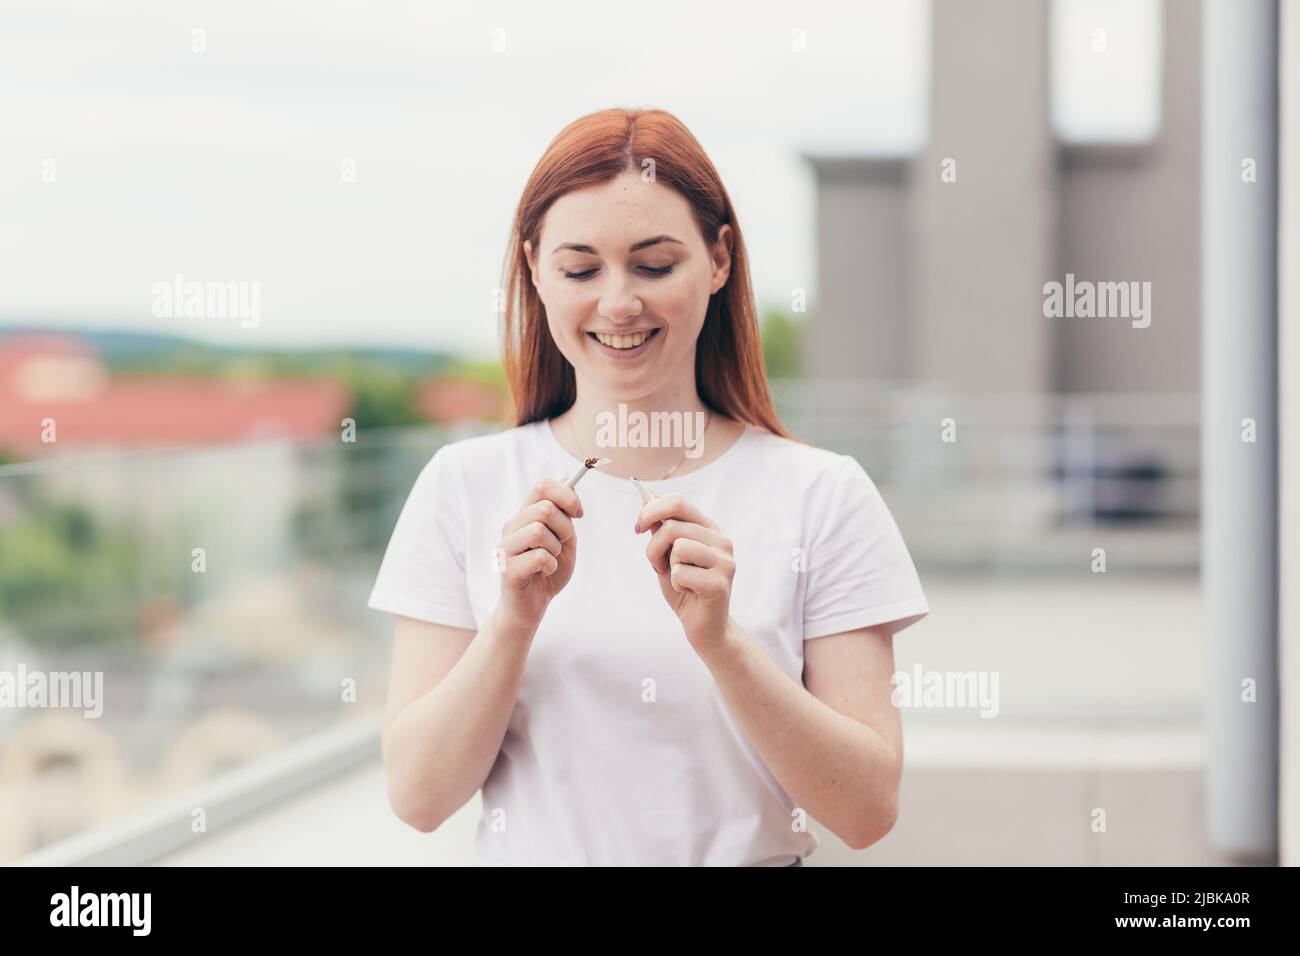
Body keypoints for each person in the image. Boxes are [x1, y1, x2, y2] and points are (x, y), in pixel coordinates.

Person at [367, 107, 929, 866]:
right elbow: (419, 797)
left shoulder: (822, 495)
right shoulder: (463, 486)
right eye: (580, 269)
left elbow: (866, 811)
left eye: (655, 265)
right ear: (534, 268)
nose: (619, 302)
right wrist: (511, 622)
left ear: (720, 260)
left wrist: (722, 643)